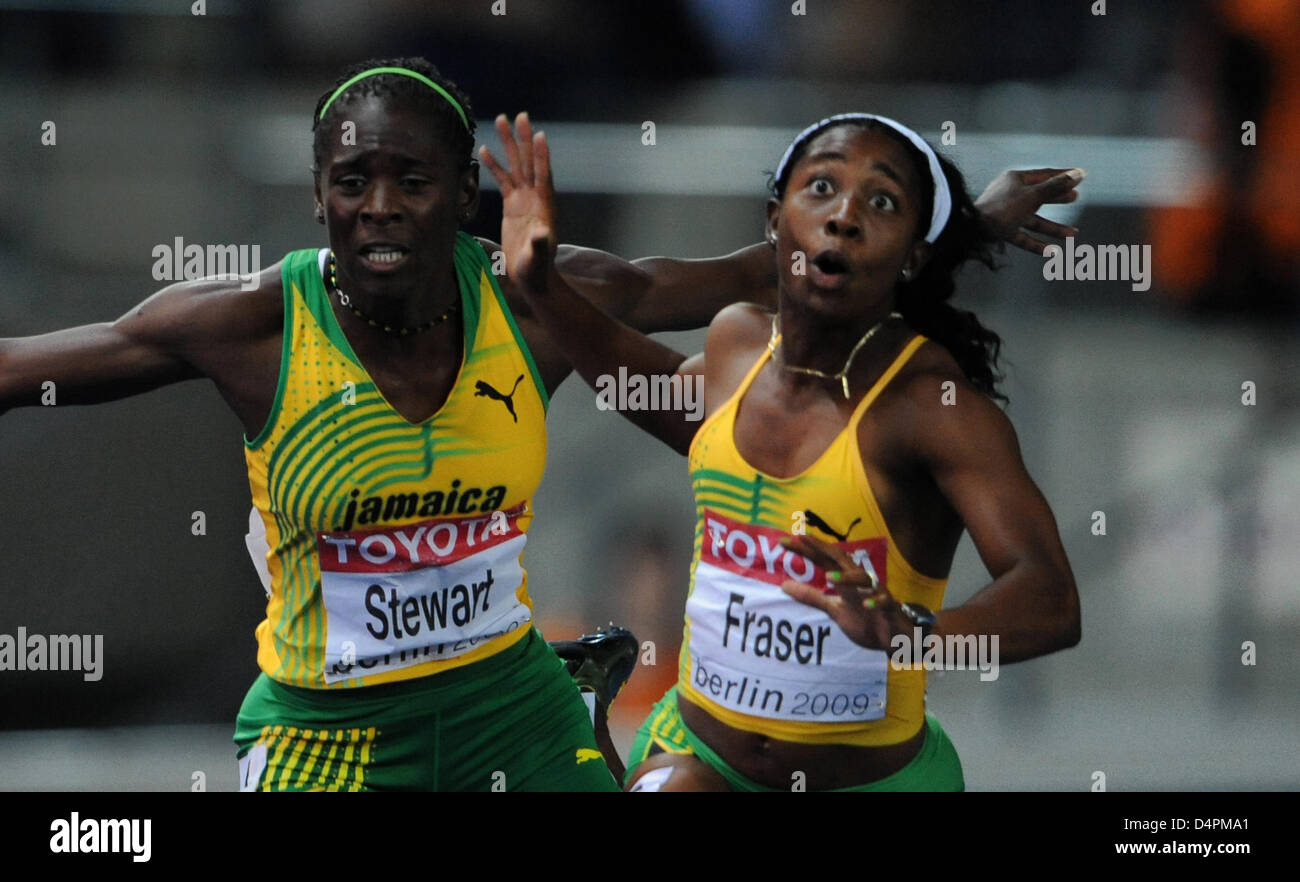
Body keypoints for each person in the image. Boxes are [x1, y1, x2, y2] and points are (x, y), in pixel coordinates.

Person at [0, 56, 1080, 791]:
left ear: (464, 190)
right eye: (351, 181)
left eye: (412, 179)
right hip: (331, 731)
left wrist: (947, 223)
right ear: (317, 195)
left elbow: (790, 263)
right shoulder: (248, 323)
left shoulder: (540, 301)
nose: (379, 205)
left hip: (518, 706)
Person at [483, 111, 1082, 792]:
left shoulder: (932, 409)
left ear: (913, 254)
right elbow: (638, 377)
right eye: (822, 188)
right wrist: (539, 286)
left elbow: (1052, 601)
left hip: (870, 780)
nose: (845, 216)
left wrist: (912, 632)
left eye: (881, 202)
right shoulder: (736, 347)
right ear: (775, 220)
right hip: (697, 760)